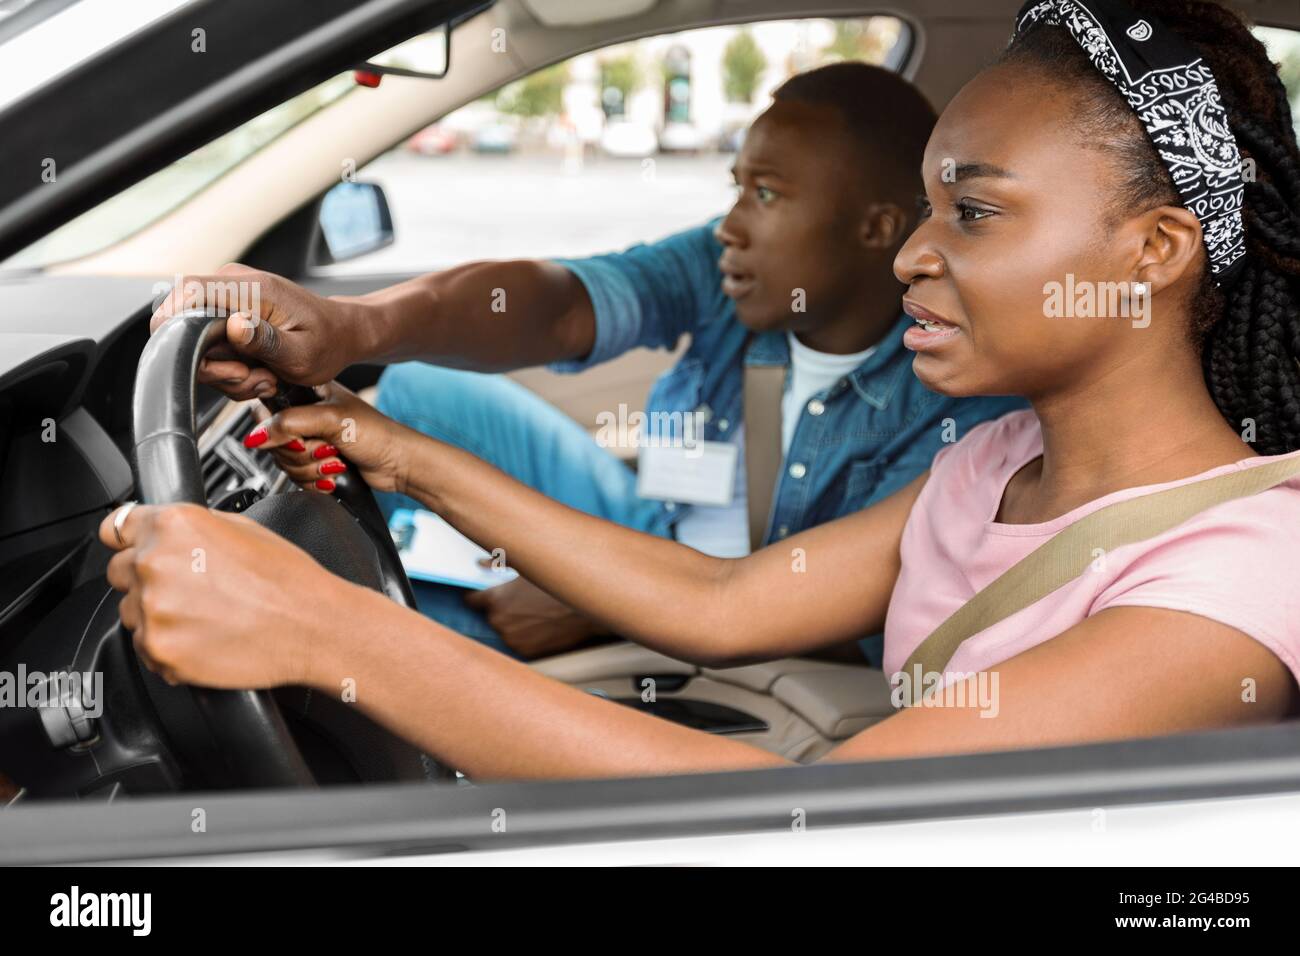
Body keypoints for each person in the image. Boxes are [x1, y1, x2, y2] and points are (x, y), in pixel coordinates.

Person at [112, 0, 1300, 780]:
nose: (909, 258)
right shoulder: (993, 464)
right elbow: (721, 601)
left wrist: (328, 627)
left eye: (973, 213)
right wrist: (393, 447)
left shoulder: (1239, 569)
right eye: (928, 205)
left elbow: (821, 819)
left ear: (1152, 252)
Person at [155, 62, 1022, 663]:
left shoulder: (951, 402)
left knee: (418, 633)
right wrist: (354, 327)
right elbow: (560, 304)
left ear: (876, 228)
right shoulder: (733, 275)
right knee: (420, 386)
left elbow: (820, 614)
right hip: (658, 530)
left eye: (767, 195)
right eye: (735, 186)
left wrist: (597, 616)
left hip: (735, 607)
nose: (730, 225)